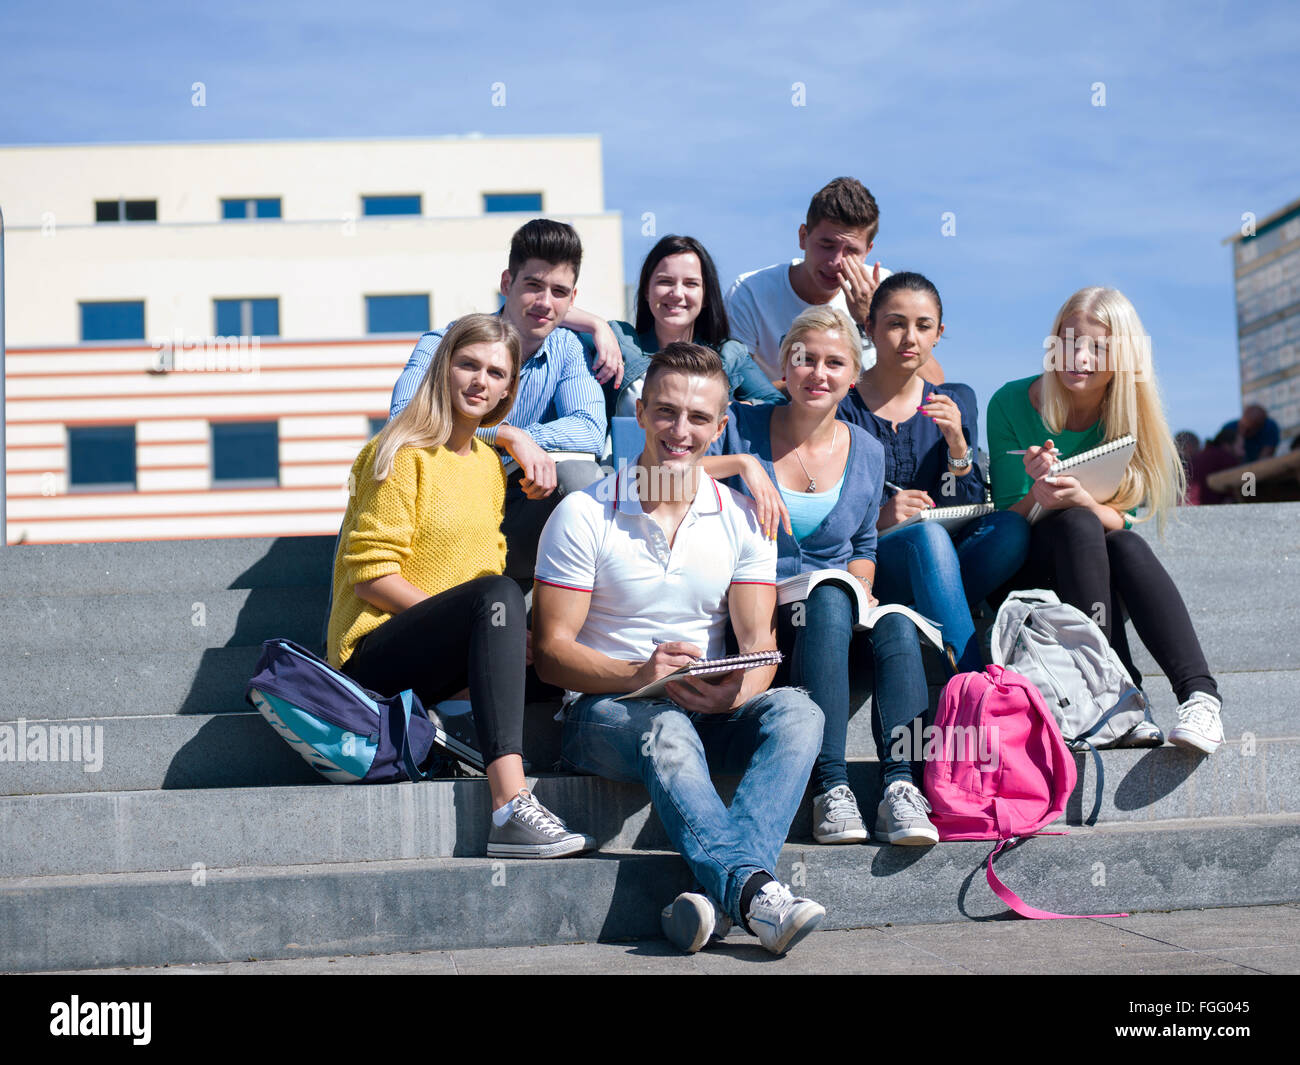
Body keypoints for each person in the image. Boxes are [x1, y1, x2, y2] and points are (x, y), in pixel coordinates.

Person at [532, 343, 828, 956]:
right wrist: (638, 673)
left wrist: (734, 691)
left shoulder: (744, 519)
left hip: (706, 707)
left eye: (698, 419)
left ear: (721, 428)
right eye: (666, 412)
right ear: (640, 412)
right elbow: (551, 652)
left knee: (800, 713)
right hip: (604, 713)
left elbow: (760, 648)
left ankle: (722, 895)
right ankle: (755, 892)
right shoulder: (583, 514)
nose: (680, 431)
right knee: (665, 725)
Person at [330, 313, 594, 857]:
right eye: (468, 364)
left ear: (508, 388)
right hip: (371, 662)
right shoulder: (399, 452)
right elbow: (371, 577)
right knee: (497, 598)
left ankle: (457, 724)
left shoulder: (485, 467)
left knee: (552, 658)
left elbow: (483, 573)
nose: (481, 381)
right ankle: (509, 808)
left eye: (496, 373)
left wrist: (494, 638)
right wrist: (472, 627)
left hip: (439, 655)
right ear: (442, 369)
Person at [701, 306, 939, 847]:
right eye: (805, 360)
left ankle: (901, 788)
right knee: (828, 595)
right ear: (784, 366)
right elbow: (667, 472)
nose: (819, 374)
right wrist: (742, 465)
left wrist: (863, 593)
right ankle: (830, 788)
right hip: (757, 606)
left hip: (829, 622)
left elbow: (862, 543)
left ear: (852, 376)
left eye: (835, 363)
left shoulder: (869, 450)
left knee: (896, 624)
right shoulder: (739, 425)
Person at [987, 286, 1224, 753]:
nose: (1081, 357)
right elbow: (1008, 523)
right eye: (1070, 341)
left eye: (1099, 347)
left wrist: (1085, 503)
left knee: (1121, 542)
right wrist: (1043, 495)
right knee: (1075, 523)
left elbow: (1129, 518)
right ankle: (1119, 692)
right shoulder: (1009, 403)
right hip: (1028, 568)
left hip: (1103, 565)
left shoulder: (1131, 415)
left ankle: (1200, 697)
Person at [389, 218, 611, 586]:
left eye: (559, 291)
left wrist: (523, 436)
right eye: (533, 286)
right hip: (443, 499)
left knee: (582, 477)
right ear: (507, 283)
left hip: (516, 499)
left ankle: (548, 605)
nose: (544, 303)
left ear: (573, 300)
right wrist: (505, 436)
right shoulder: (444, 341)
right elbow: (404, 417)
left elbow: (589, 429)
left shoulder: (568, 349)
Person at [838, 272, 1030, 675]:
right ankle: (973, 683)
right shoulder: (842, 407)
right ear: (869, 328)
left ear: (938, 333)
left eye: (923, 326)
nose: (910, 337)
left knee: (1011, 530)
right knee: (925, 537)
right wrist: (880, 520)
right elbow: (824, 511)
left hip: (944, 556)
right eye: (895, 323)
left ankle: (921, 619)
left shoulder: (955, 399)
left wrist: (958, 446)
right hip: (873, 563)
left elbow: (968, 501)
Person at [724, 176, 943, 386]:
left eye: (851, 251)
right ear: (803, 237)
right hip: (783, 416)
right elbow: (735, 387)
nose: (836, 261)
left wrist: (871, 320)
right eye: (826, 245)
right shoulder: (751, 292)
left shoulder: (886, 291)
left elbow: (934, 384)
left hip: (867, 418)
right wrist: (815, 390)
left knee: (963, 396)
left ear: (867, 251)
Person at [606, 234, 782, 416]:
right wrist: (596, 325)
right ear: (646, 291)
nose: (677, 293)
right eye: (665, 281)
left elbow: (776, 405)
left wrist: (723, 410)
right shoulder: (620, 341)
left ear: (705, 296)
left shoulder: (730, 355)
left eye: (691, 283)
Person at [1187, 426, 1238, 505]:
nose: (1244, 451)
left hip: (1190, 505)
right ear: (1227, 446)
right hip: (1210, 508)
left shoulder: (1201, 455)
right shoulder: (1227, 458)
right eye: (1240, 446)